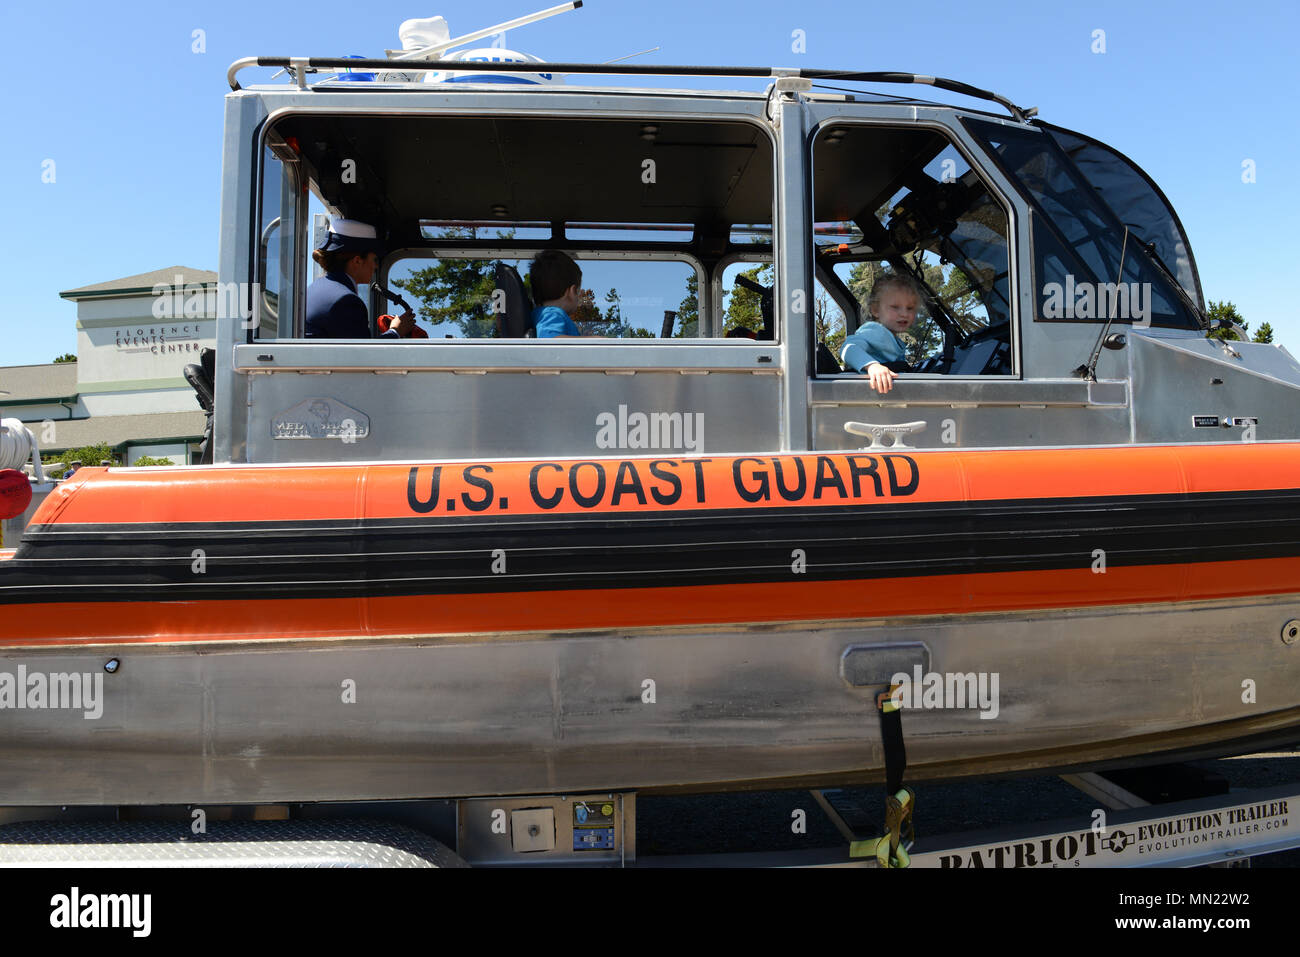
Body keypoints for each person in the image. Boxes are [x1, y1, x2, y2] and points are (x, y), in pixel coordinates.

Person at [305, 219, 417, 339]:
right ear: (357, 261)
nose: (376, 266)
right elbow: (364, 356)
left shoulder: (314, 288)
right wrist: (396, 331)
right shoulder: (346, 301)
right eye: (374, 260)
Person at [840, 273, 923, 394]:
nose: (904, 314)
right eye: (895, 307)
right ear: (875, 310)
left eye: (910, 308)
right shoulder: (875, 330)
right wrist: (873, 366)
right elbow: (848, 349)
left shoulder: (893, 338)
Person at [527, 250, 599, 338]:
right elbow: (550, 340)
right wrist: (593, 340)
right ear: (572, 291)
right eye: (578, 291)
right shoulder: (552, 314)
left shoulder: (538, 314)